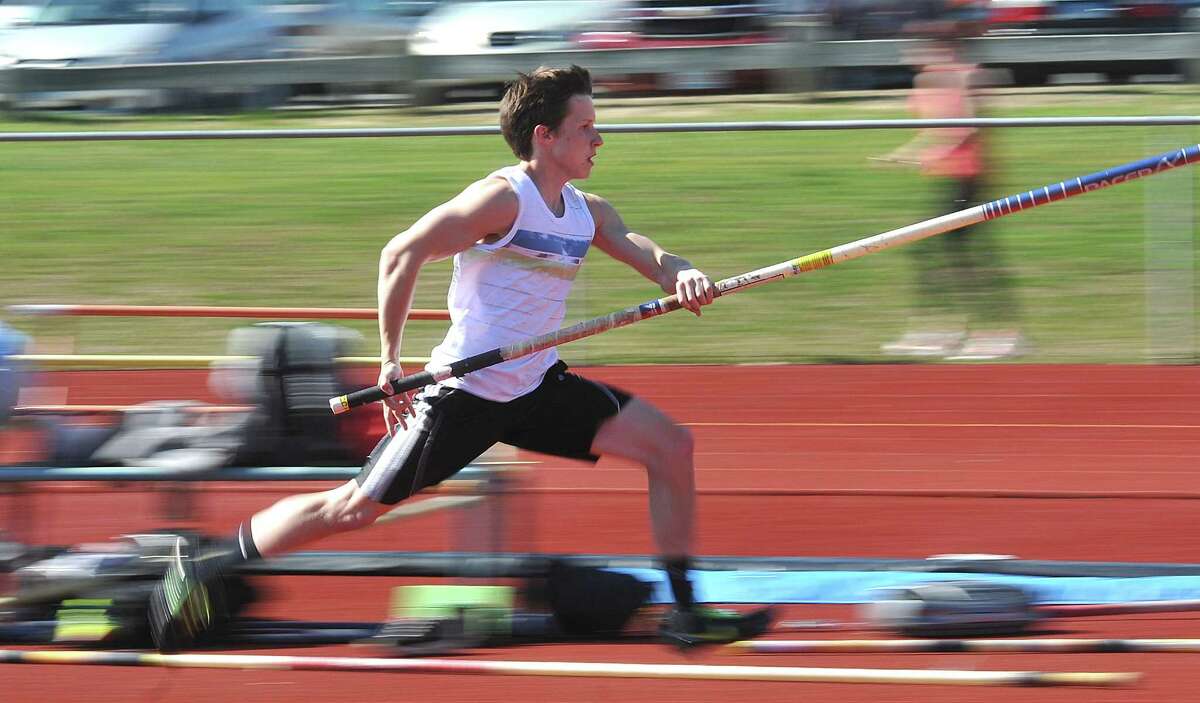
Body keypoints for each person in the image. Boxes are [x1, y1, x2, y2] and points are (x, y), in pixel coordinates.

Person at [148, 65, 767, 651]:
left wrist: (683, 274)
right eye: (585, 128)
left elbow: (648, 253)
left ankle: (685, 611)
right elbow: (401, 253)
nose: (599, 140)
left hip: (536, 387)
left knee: (670, 446)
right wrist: (391, 363)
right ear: (545, 136)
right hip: (465, 396)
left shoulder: (586, 212)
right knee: (351, 509)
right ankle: (207, 564)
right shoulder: (501, 201)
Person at [876, 17, 1024, 361]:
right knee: (941, 252)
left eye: (914, 47)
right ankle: (944, 330)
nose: (907, 53)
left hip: (968, 179)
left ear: (939, 48)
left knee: (953, 254)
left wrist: (921, 155)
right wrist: (906, 154)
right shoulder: (928, 80)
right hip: (950, 178)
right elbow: (936, 131)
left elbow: (964, 128)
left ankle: (992, 333)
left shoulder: (963, 76)